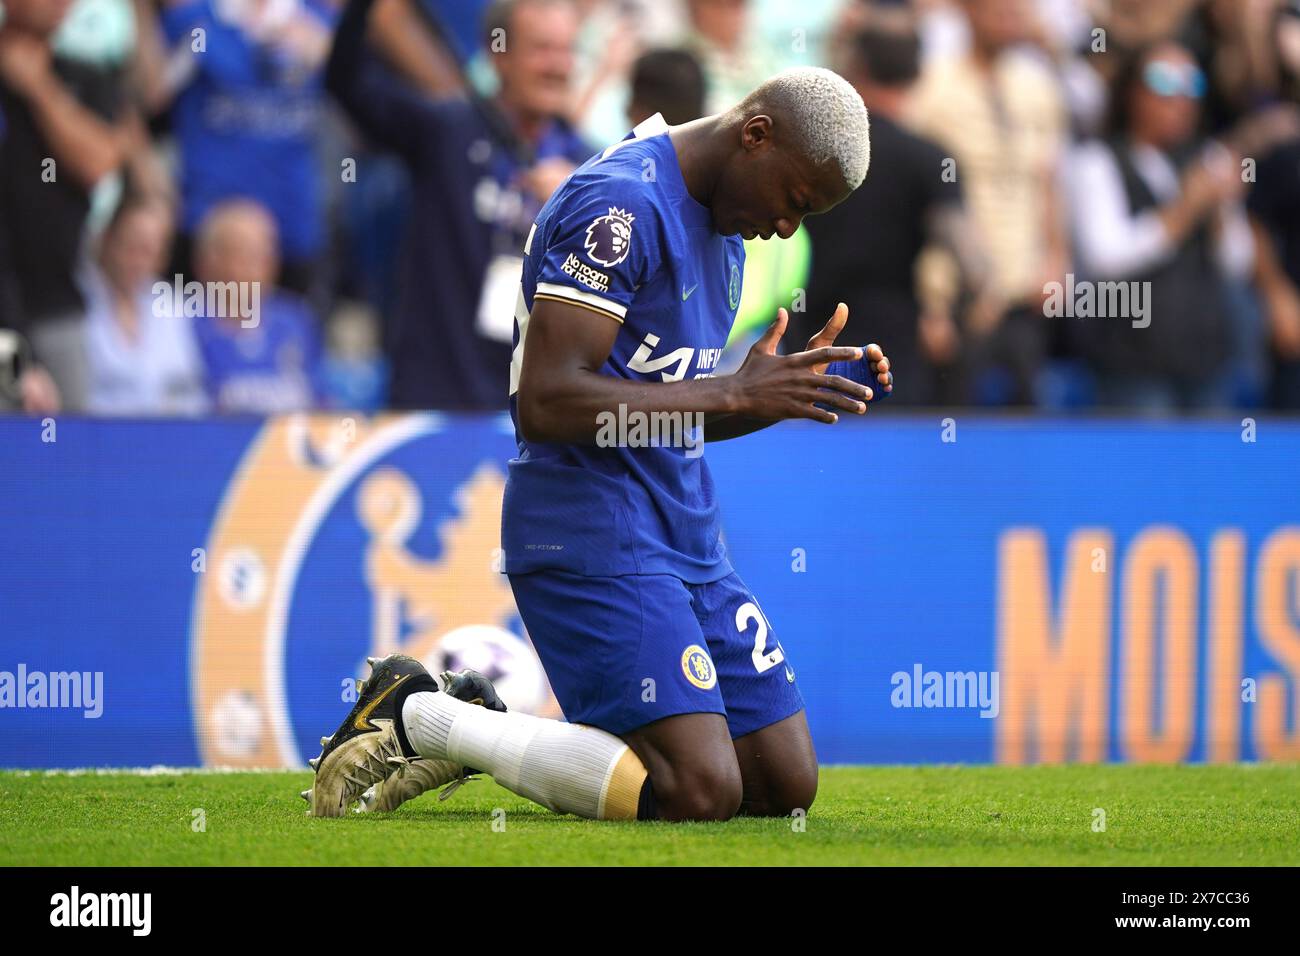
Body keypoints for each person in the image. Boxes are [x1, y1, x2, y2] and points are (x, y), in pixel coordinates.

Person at [303, 68, 892, 822]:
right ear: (755, 134)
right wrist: (733, 393)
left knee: (782, 783)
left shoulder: (724, 232)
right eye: (795, 202)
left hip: (686, 533)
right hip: (587, 525)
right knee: (698, 790)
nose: (788, 228)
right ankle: (421, 716)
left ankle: (472, 721)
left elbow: (668, 409)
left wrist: (776, 394)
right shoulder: (620, 205)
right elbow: (547, 400)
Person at [325, 0, 593, 410]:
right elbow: (347, 83)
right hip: (435, 397)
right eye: (541, 50)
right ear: (497, 54)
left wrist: (575, 200)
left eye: (565, 51)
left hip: (534, 411)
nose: (557, 67)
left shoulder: (592, 167)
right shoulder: (447, 132)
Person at [801, 8, 990, 406]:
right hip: (892, 353)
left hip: (812, 341)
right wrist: (950, 318)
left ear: (856, 65)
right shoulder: (930, 159)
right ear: (918, 72)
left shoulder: (814, 150)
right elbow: (976, 269)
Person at [1067, 40, 1246, 412]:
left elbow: (1237, 263)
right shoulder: (1097, 161)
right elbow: (1105, 259)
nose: (1179, 98)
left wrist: (1220, 211)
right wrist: (1184, 211)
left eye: (1191, 84)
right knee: (1147, 469)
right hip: (1133, 365)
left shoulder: (1207, 159)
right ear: (1132, 92)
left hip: (1204, 360)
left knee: (1212, 469)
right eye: (1164, 82)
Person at [906, 0, 1069, 406]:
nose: (1011, 20)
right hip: (962, 294)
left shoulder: (1038, 85)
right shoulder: (933, 87)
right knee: (957, 424)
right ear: (970, 12)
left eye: (1018, 11)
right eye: (1000, 11)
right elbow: (921, 200)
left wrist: (1056, 259)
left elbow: (1047, 181)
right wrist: (932, 304)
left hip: (1024, 292)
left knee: (1028, 429)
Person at [0, 0, 133, 411]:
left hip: (57, 303)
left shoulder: (82, 75)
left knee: (66, 454)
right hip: (3, 305)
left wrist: (40, 88)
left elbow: (99, 161)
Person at [190, 199, 322, 414]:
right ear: (209, 262)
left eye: (266, 255)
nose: (259, 268)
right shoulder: (187, 327)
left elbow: (322, 404)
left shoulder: (294, 321)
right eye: (246, 255)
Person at [84, 196, 207, 416]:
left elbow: (190, 391)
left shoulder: (175, 305)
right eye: (130, 246)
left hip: (164, 438)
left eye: (149, 251)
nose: (137, 260)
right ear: (106, 241)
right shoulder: (78, 303)